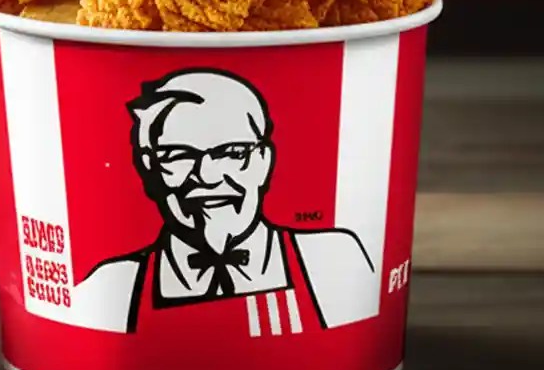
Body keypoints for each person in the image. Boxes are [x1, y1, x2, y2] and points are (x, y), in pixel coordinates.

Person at [70, 69, 375, 334]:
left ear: (263, 161)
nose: (208, 176)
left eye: (232, 152)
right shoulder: (112, 286)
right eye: (178, 156)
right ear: (149, 170)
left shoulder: (333, 258)